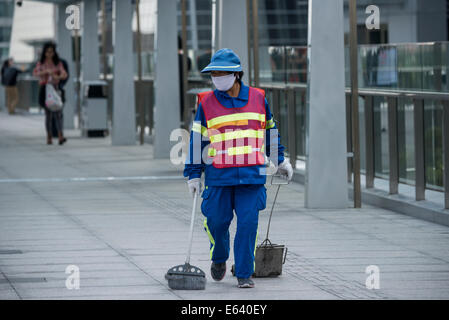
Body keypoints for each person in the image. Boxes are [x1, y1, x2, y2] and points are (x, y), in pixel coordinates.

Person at [183, 48, 293, 289]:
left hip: (251, 176)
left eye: (222, 73)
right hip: (219, 177)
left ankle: (244, 273)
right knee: (217, 222)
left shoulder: (258, 98)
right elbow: (196, 141)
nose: (217, 78)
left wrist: (280, 159)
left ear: (236, 75)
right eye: (213, 73)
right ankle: (219, 257)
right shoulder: (206, 103)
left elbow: (270, 130)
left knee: (247, 224)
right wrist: (193, 174)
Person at [33, 42, 67, 145]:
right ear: (45, 52)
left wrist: (58, 76)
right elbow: (35, 73)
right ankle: (49, 136)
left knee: (58, 113)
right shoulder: (41, 63)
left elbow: (64, 74)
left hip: (55, 89)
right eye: (48, 52)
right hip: (45, 90)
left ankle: (60, 135)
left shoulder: (58, 63)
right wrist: (45, 72)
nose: (49, 54)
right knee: (48, 115)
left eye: (51, 52)